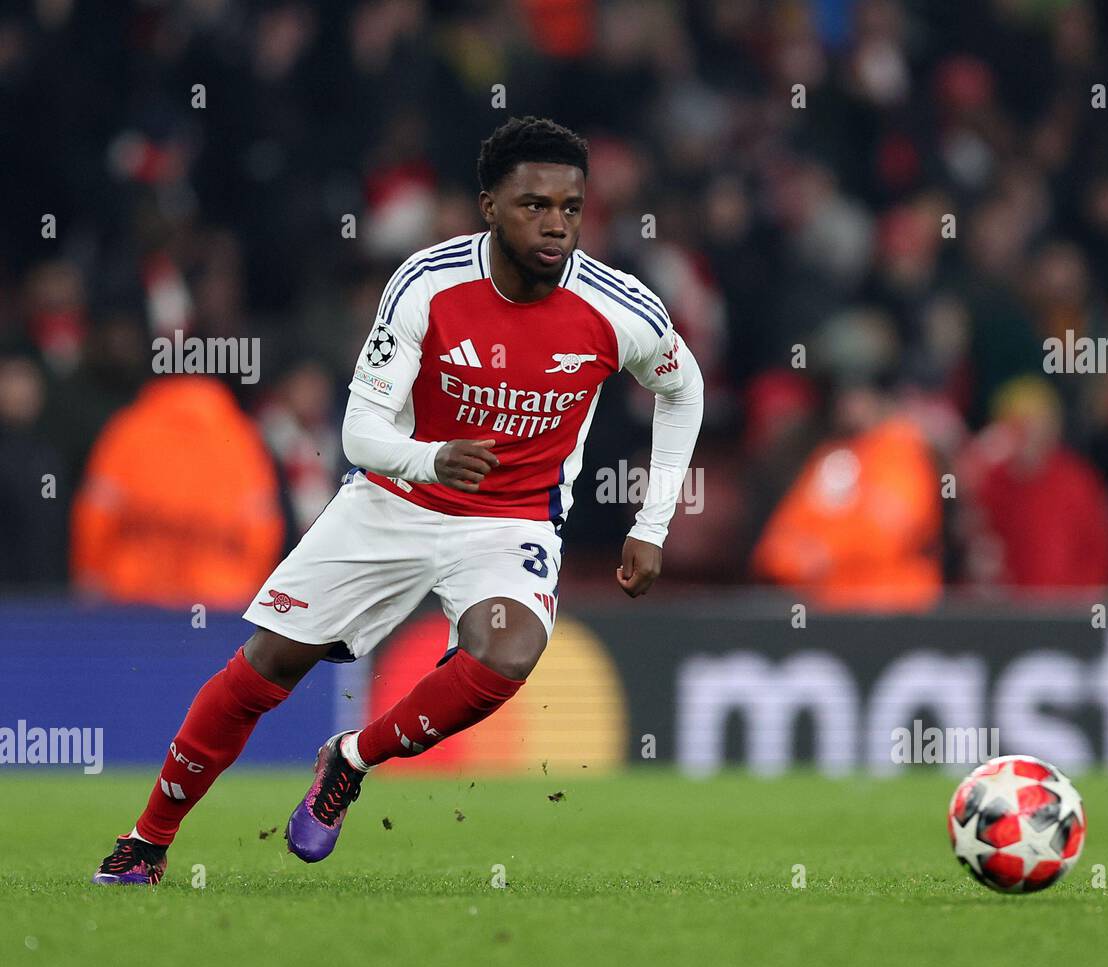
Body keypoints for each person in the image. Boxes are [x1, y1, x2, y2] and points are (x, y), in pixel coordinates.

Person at [93, 116, 705, 885]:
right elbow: (360, 431)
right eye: (534, 205)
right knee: (265, 668)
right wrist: (433, 458)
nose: (556, 225)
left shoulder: (620, 308)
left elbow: (685, 389)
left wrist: (652, 523)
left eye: (571, 208)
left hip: (511, 518)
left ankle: (351, 758)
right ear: (489, 205)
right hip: (394, 496)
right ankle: (146, 842)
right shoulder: (427, 283)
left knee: (509, 650)